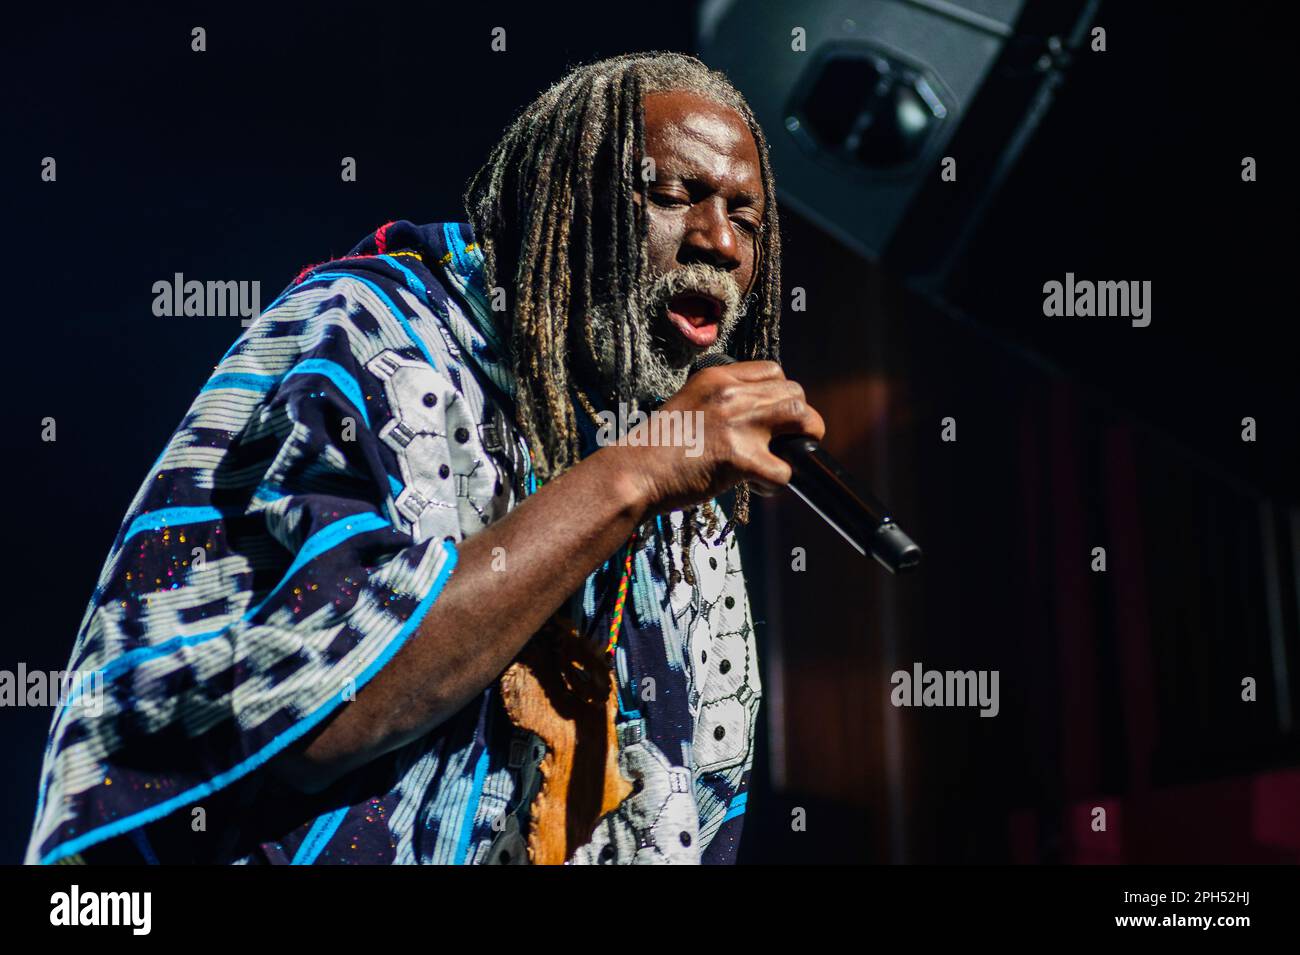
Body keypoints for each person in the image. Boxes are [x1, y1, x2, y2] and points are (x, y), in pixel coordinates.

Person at [27, 52, 824, 865]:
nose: (720, 241)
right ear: (562, 196)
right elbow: (326, 712)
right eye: (671, 194)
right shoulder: (371, 333)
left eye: (748, 220)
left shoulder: (685, 500)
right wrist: (639, 470)